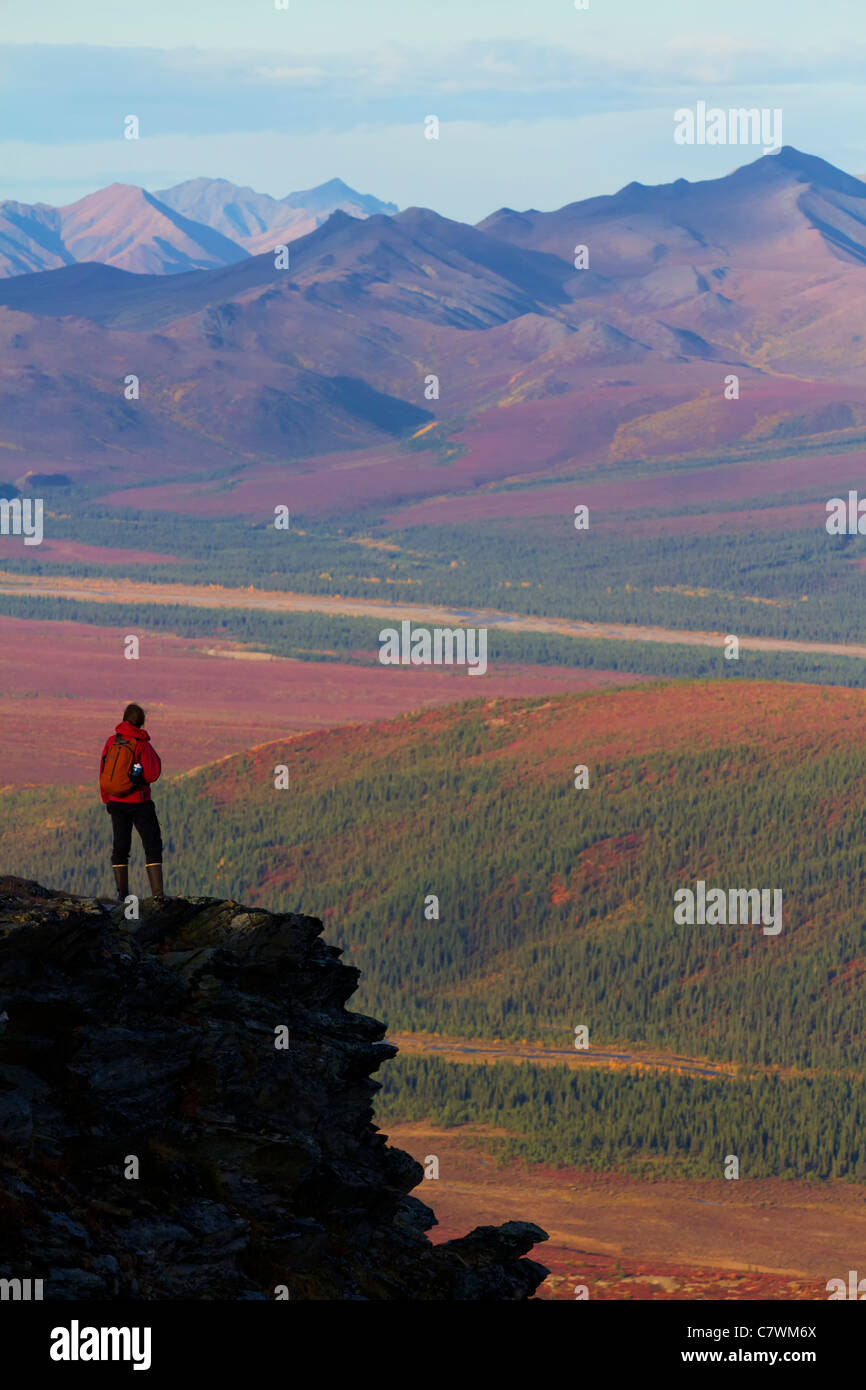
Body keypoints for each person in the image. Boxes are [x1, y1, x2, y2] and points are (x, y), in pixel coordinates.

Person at [99, 703, 165, 903]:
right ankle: (158, 896)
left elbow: (103, 771)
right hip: (139, 802)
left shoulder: (112, 741)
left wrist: (107, 799)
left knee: (121, 847)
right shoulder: (141, 744)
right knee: (152, 844)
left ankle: (122, 894)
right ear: (141, 722)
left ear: (124, 718)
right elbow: (153, 774)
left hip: (115, 802)